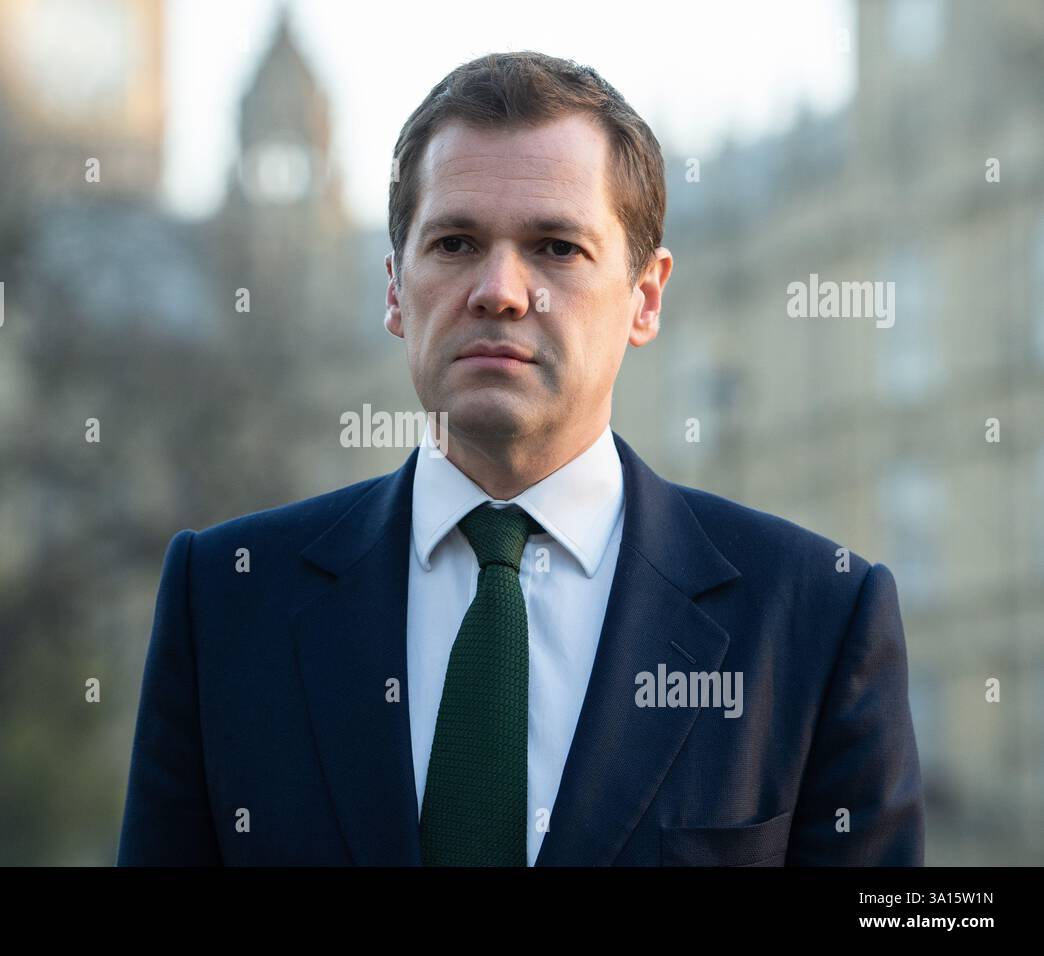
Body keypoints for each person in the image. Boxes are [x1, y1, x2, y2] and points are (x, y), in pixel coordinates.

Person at [117, 51, 924, 866]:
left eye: (556, 248)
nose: (501, 290)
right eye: (457, 242)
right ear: (394, 287)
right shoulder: (225, 601)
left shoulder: (813, 619)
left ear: (646, 296)